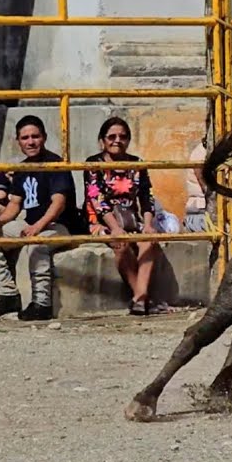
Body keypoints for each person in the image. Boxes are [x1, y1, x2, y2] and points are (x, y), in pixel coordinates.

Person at [0, 115, 83, 321]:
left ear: (44, 138)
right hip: (32, 224)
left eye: (35, 136)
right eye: (25, 137)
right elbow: (14, 205)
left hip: (59, 226)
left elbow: (58, 203)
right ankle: (7, 293)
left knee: (37, 246)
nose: (30, 142)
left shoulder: (55, 164)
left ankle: (41, 304)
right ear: (18, 141)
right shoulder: (22, 169)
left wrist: (37, 227)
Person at [83, 117, 170, 316]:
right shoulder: (93, 164)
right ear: (102, 140)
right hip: (100, 222)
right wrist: (114, 227)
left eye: (122, 137)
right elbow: (97, 200)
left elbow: (146, 197)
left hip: (132, 220)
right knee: (120, 245)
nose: (117, 140)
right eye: (111, 136)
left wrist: (148, 224)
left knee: (149, 241)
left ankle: (139, 299)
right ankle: (142, 298)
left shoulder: (137, 164)